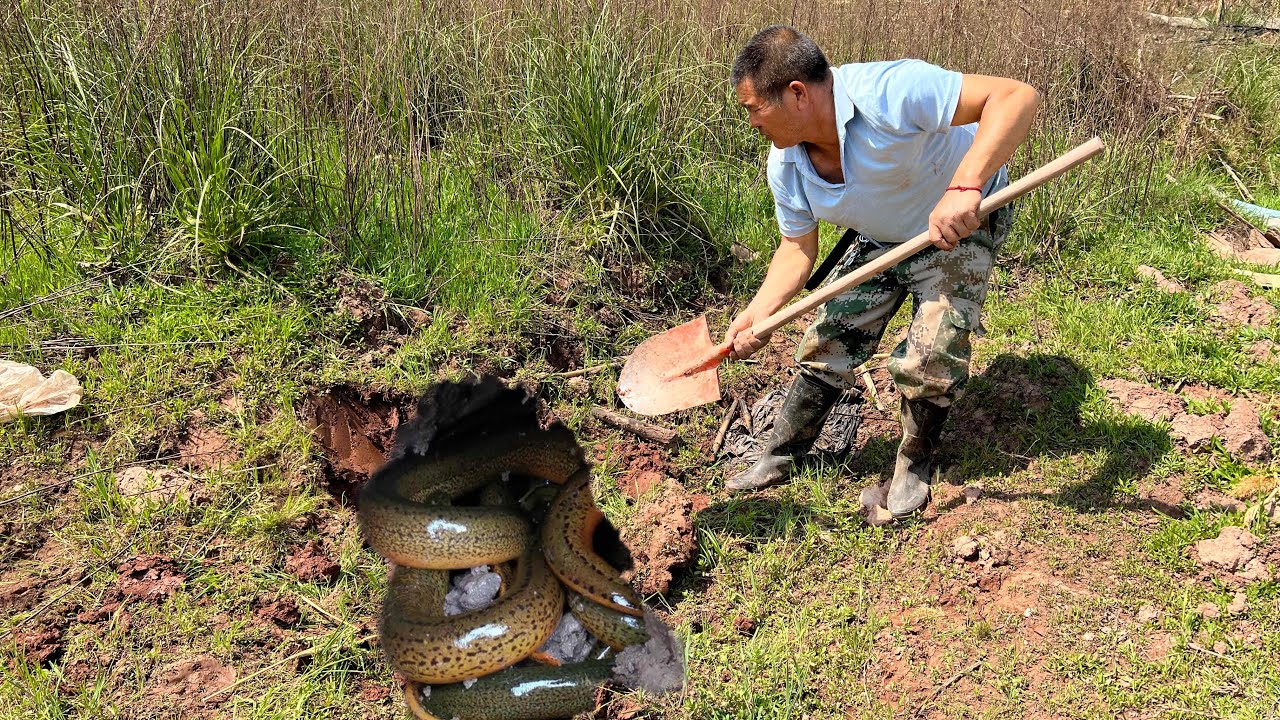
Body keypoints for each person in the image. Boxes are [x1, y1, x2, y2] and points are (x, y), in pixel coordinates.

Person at [723, 25, 1039, 517]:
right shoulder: (786, 163)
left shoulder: (891, 92)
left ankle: (916, 459)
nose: (751, 122)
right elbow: (795, 248)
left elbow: (1015, 96)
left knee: (932, 350)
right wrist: (757, 315)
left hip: (957, 223)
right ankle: (783, 451)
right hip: (882, 237)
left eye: (752, 109)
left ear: (797, 94)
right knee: (829, 338)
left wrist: (965, 187)